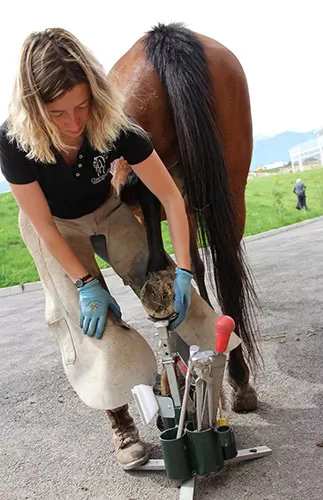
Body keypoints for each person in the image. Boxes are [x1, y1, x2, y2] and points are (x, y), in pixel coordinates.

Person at [0, 28, 194, 470]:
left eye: (82, 105)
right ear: (35, 110)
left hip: (104, 208)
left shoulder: (115, 124)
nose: (74, 123)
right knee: (93, 323)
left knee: (168, 290)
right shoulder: (13, 140)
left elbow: (171, 199)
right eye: (58, 113)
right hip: (53, 224)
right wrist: (86, 282)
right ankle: (121, 420)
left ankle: (194, 390)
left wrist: (182, 269)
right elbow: (44, 226)